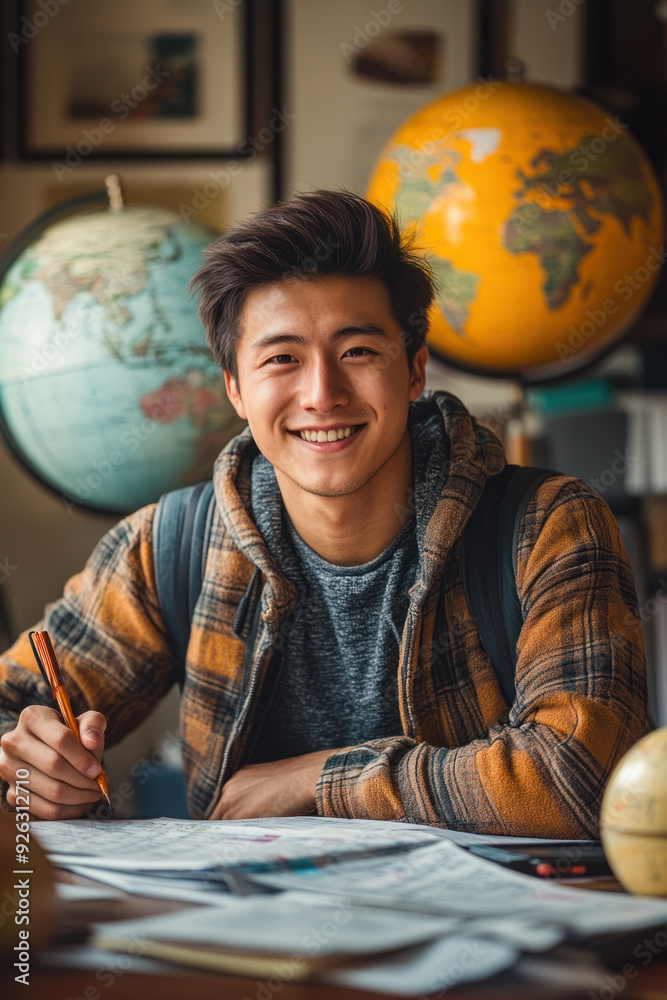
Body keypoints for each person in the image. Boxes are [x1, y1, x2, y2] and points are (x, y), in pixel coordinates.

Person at [0, 190, 649, 834]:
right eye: (282, 359)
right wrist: (31, 766)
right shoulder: (168, 546)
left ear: (414, 370)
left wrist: (318, 780)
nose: (321, 394)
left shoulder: (545, 527)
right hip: (243, 931)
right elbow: (13, 708)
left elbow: (580, 779)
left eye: (357, 352)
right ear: (235, 390)